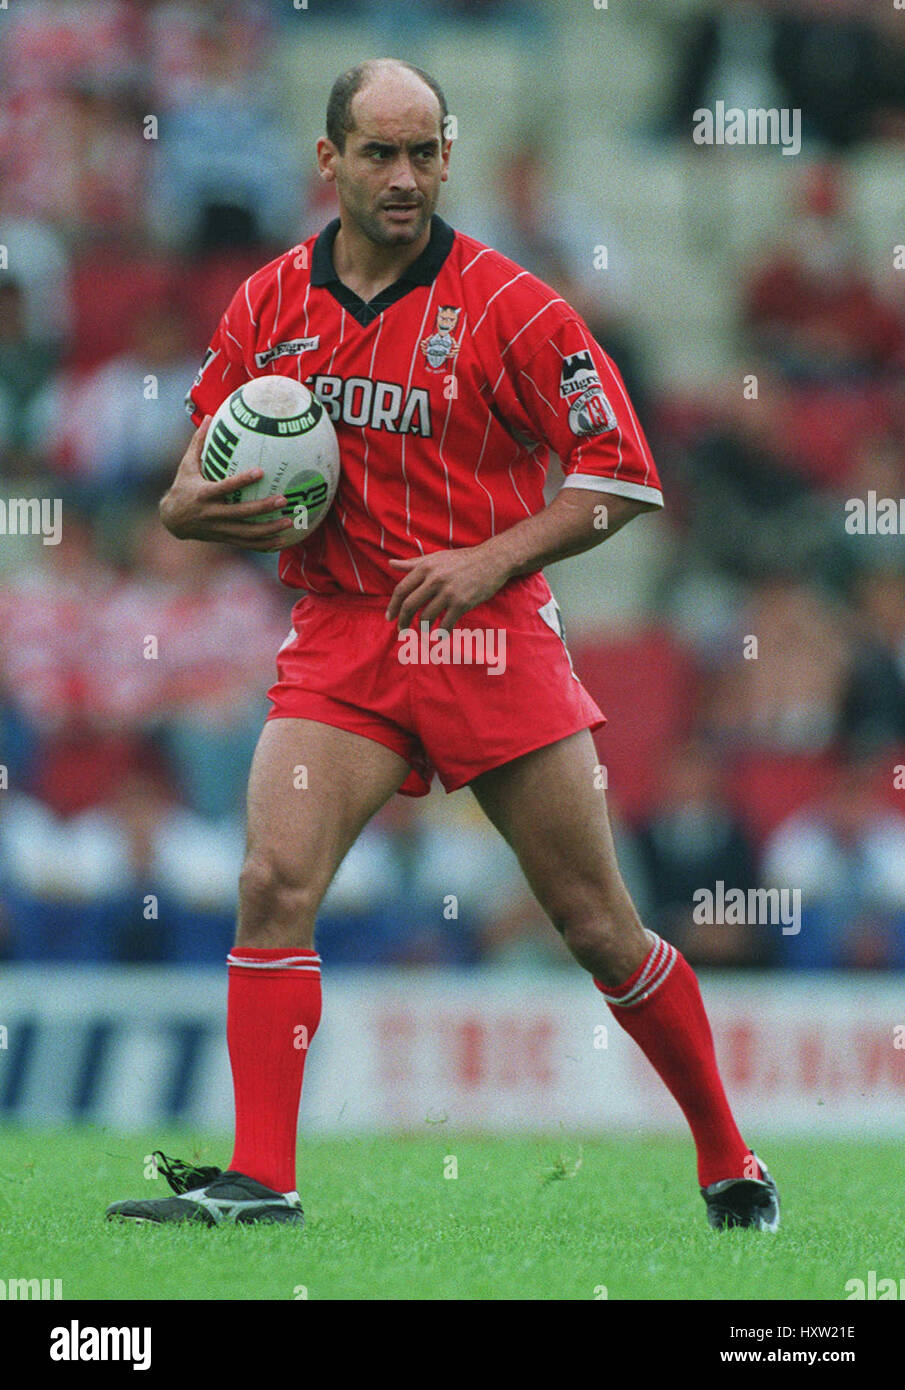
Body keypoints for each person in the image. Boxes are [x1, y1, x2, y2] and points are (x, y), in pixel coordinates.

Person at [106, 59, 779, 1231]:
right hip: (341, 634)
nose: (406, 176)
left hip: (487, 637)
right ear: (329, 161)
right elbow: (180, 491)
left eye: (425, 152)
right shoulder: (267, 300)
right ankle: (262, 1180)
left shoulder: (515, 306)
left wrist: (492, 557)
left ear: (447, 156)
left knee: (596, 927)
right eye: (379, 153)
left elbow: (623, 478)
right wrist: (199, 512)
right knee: (272, 880)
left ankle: (728, 1159)